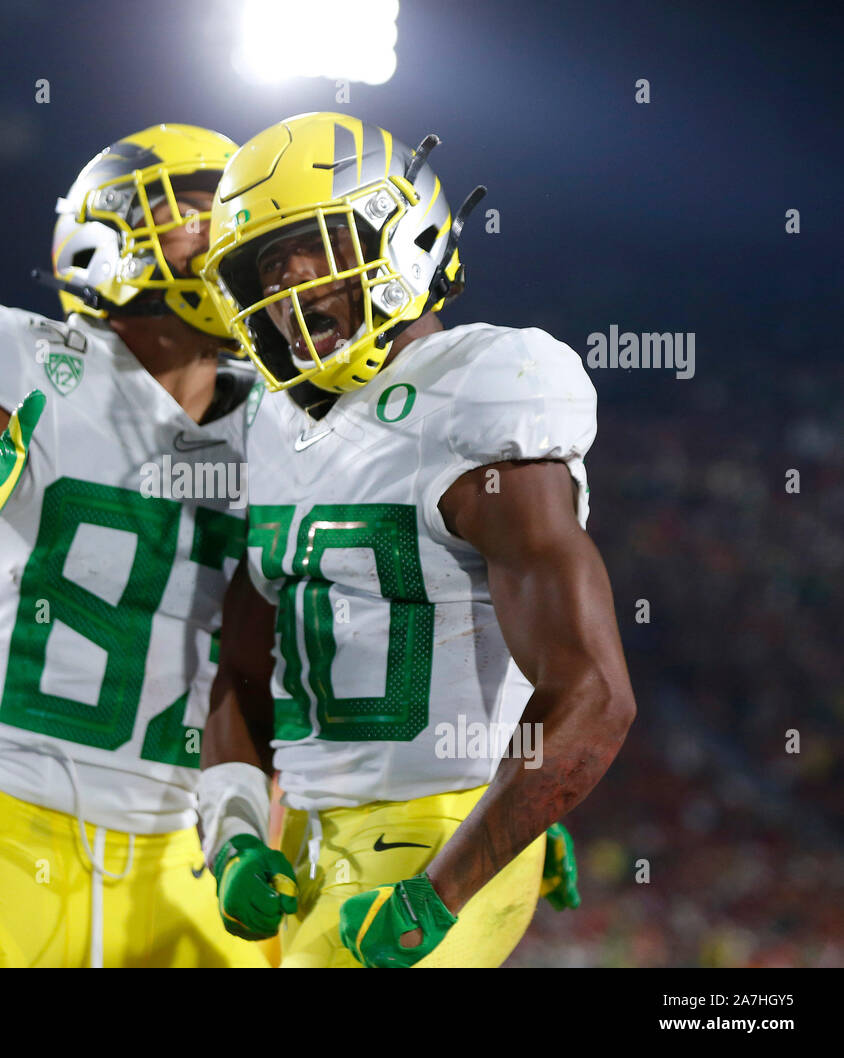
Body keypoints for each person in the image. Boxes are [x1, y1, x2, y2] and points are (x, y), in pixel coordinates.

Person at [196, 112, 634, 968]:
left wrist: (465, 869)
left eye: (312, 247)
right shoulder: (271, 426)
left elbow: (592, 694)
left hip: (436, 840)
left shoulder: (483, 389)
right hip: (306, 842)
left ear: (400, 231)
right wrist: (233, 834)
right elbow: (242, 673)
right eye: (266, 265)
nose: (288, 284)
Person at [0, 124, 266, 967]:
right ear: (108, 232)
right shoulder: (24, 352)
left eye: (238, 220)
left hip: (179, 846)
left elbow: (265, 667)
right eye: (199, 214)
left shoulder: (281, 417)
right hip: (8, 817)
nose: (227, 240)